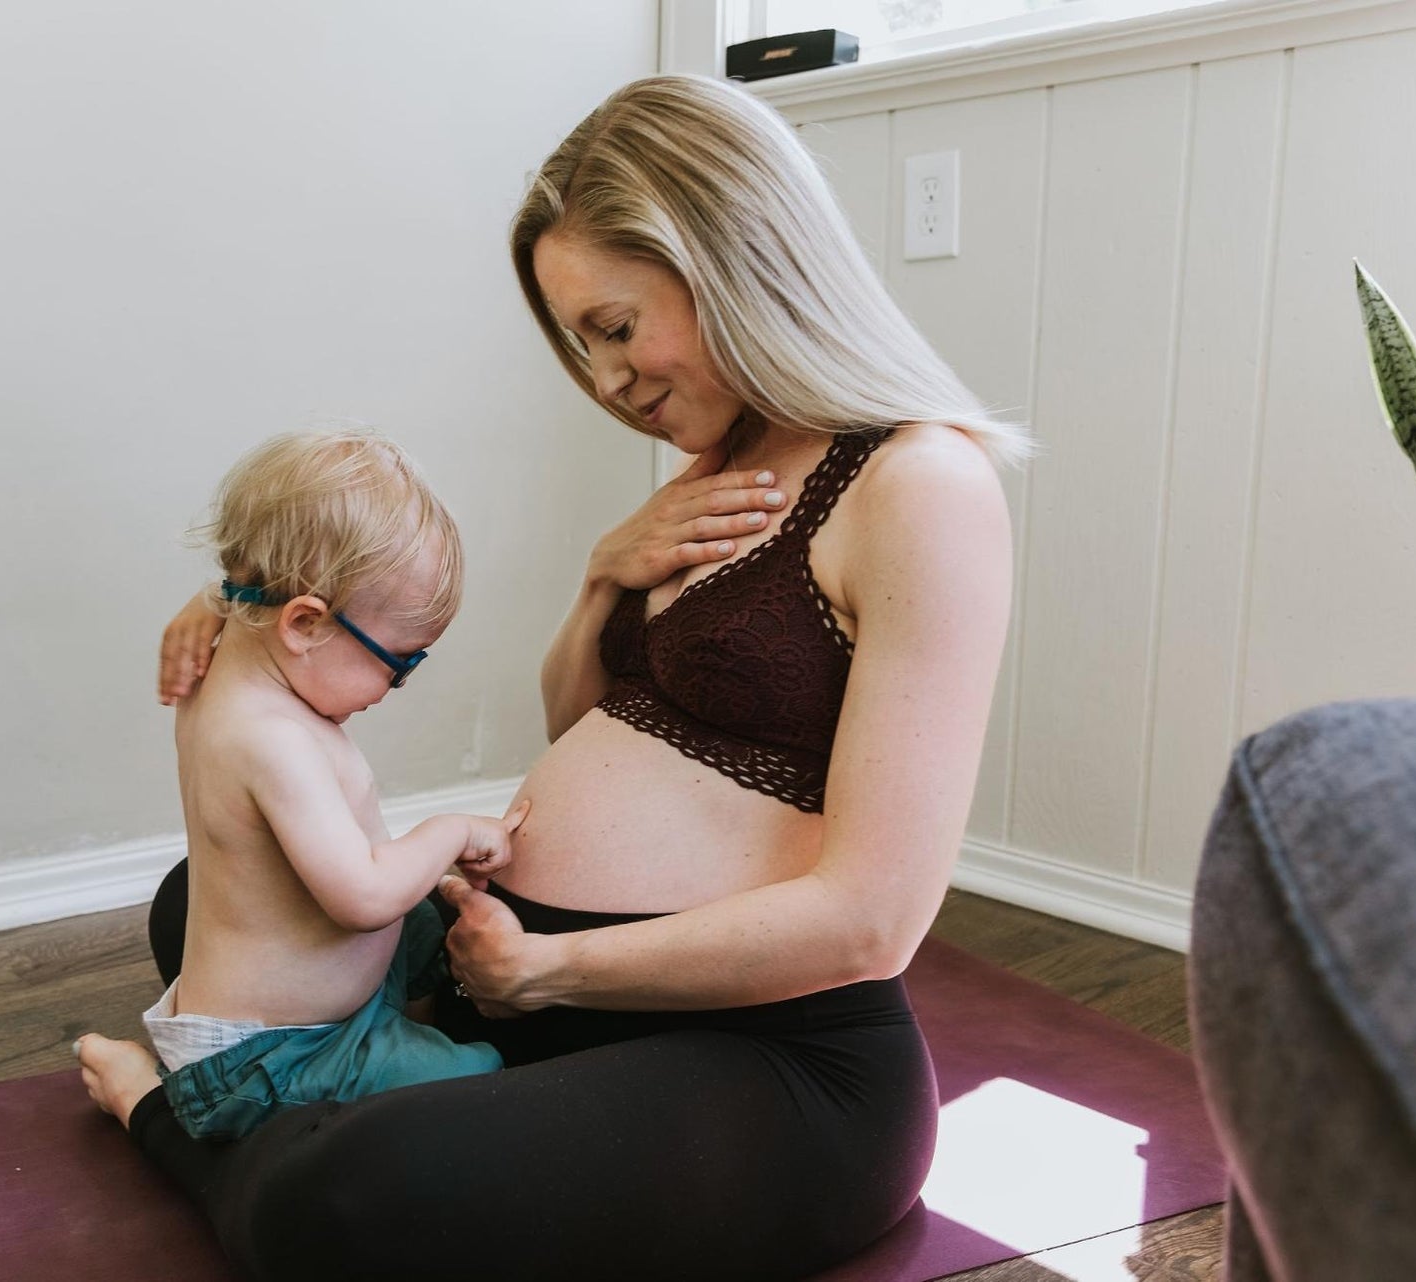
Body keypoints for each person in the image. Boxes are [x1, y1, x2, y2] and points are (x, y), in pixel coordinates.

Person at [78, 73, 1024, 1280]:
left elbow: (872, 922)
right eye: (585, 348)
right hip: (536, 981)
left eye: (618, 329)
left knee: (339, 1202)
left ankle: (176, 1125)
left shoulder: (920, 489)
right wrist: (599, 581)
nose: (610, 385)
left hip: (771, 1052)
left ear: (735, 256)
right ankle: (410, 1103)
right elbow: (586, 725)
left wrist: (550, 968)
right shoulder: (720, 465)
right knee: (195, 899)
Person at [74, 430, 522, 1142]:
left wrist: (210, 600)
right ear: (305, 623)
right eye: (399, 662)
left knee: (430, 923)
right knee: (480, 1090)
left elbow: (243, 593)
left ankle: (413, 1029)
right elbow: (365, 899)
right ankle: (158, 1110)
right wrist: (454, 830)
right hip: (278, 1059)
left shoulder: (228, 665)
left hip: (329, 1012)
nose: (398, 685)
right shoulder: (270, 738)